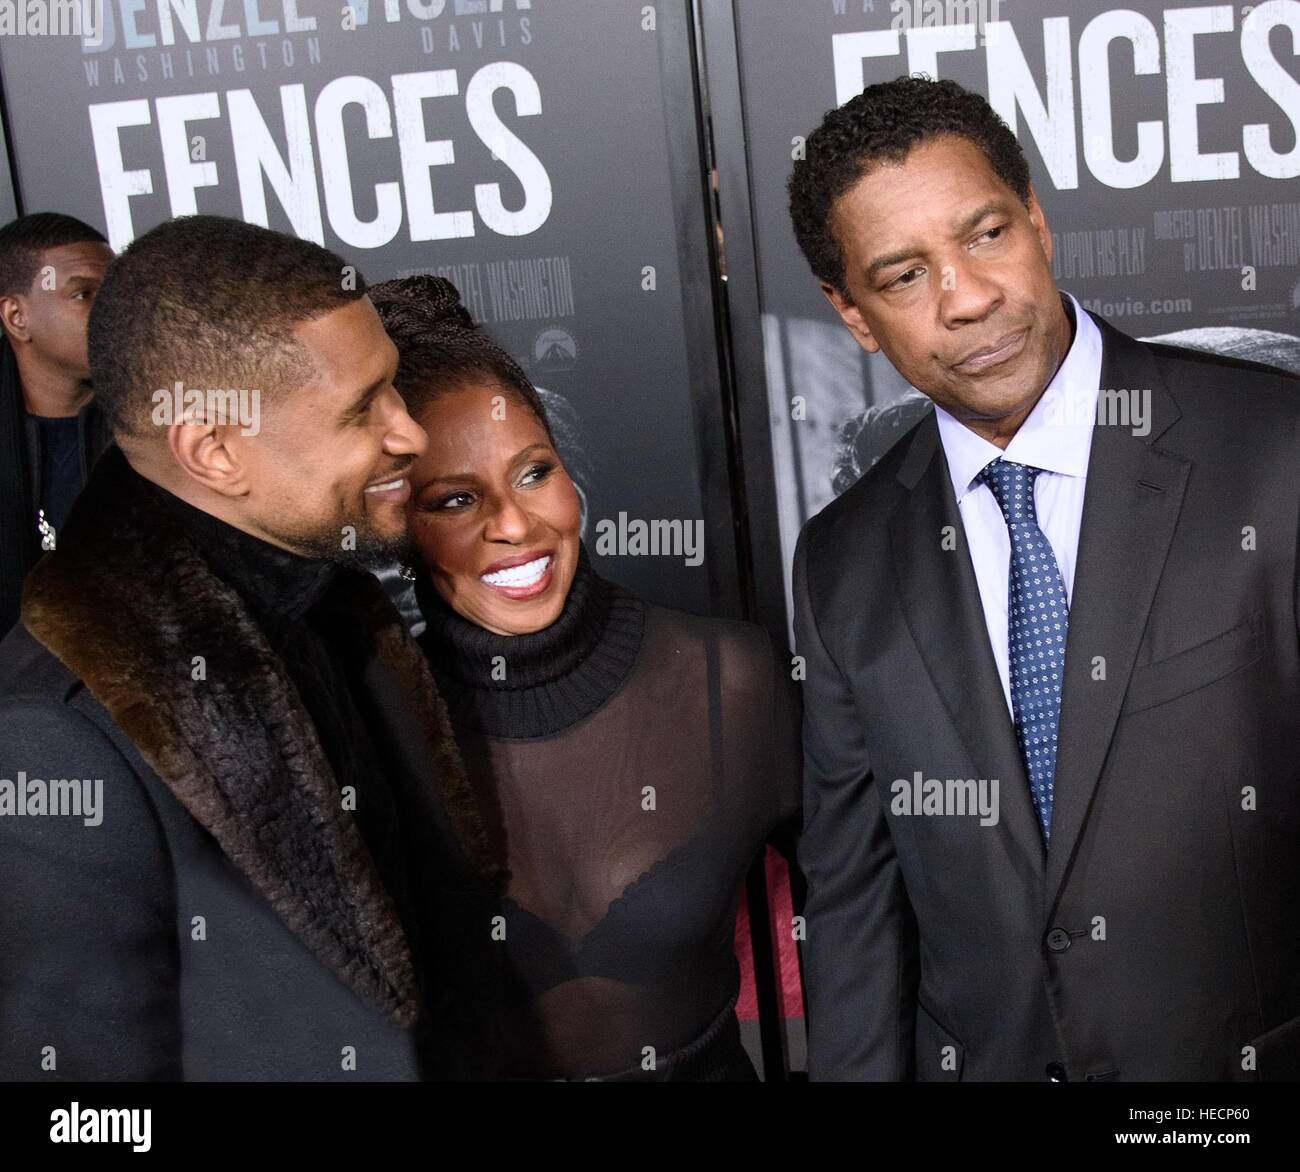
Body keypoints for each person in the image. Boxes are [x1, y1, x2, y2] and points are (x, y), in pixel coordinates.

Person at [787, 76, 1300, 1081]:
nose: (968, 297)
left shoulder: (1272, 449)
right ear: (850, 314)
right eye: (901, 275)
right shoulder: (844, 558)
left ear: (1037, 220)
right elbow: (853, 902)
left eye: (984, 235)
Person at [0, 216, 498, 1081]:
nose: (411, 433)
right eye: (362, 409)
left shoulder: (336, 592)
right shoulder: (54, 732)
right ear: (216, 452)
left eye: (395, 389)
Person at [370, 275, 801, 1081]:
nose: (513, 524)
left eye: (534, 473)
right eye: (456, 499)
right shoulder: (372, 721)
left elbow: (874, 932)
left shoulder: (733, 681)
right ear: (400, 525)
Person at [0, 213, 115, 635]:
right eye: (84, 294)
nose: (111, 312)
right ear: (17, 317)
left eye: (117, 292)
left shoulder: (163, 421)